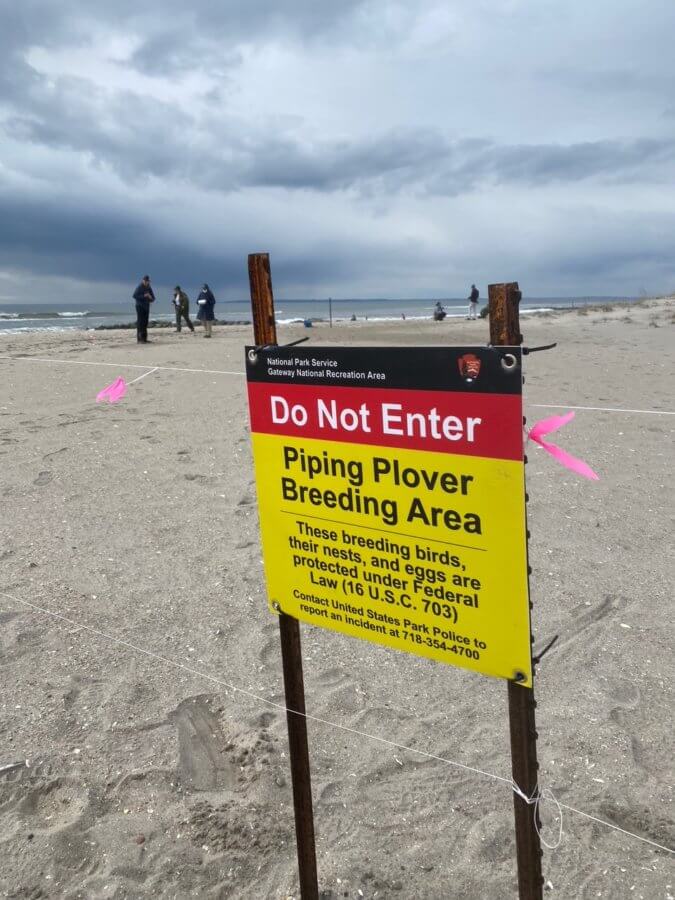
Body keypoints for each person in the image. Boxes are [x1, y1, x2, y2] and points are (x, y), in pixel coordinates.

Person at [133, 275, 155, 343]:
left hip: (146, 307)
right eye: (145, 281)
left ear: (149, 281)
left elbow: (153, 298)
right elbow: (134, 296)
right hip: (139, 306)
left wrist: (150, 297)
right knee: (140, 323)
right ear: (143, 280)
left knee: (145, 323)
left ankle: (144, 339)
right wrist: (144, 296)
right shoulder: (139, 287)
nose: (146, 282)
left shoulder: (149, 287)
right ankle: (139, 340)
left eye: (147, 281)